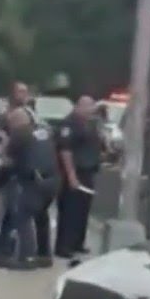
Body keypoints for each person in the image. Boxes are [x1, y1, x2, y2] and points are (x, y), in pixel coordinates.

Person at [0, 107, 59, 270]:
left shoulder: (20, 134)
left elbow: (7, 161)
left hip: (33, 181)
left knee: (22, 215)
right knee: (40, 215)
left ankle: (26, 257)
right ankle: (43, 255)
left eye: (9, 123)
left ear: (15, 122)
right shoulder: (43, 132)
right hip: (52, 180)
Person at [54, 95, 104, 258]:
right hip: (75, 172)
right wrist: (71, 176)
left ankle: (77, 243)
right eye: (89, 107)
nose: (92, 111)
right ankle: (64, 246)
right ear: (80, 106)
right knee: (70, 210)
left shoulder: (88, 124)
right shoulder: (69, 124)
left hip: (88, 171)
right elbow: (65, 151)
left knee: (82, 210)